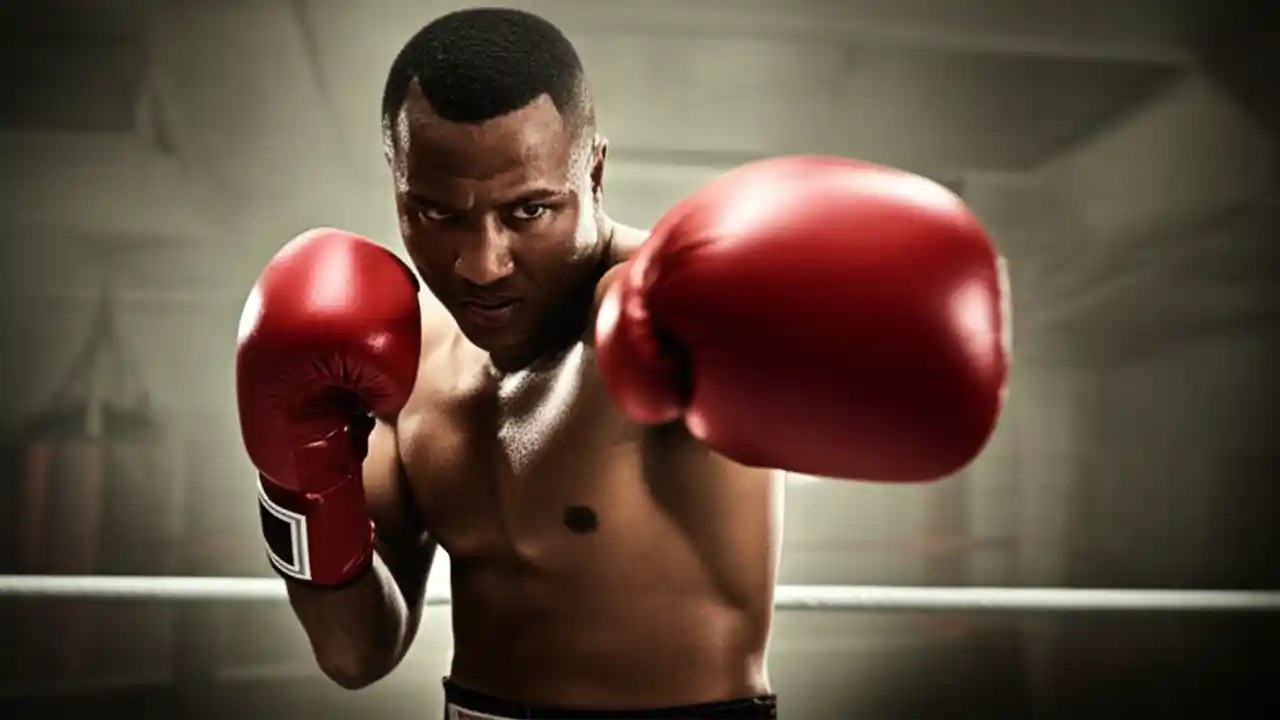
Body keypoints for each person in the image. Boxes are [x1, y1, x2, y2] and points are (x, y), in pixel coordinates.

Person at [235, 7, 1008, 719]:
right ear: (400, 192)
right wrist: (299, 475)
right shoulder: (395, 360)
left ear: (593, 174)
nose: (481, 264)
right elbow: (353, 652)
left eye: (528, 210)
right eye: (438, 214)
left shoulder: (669, 315)